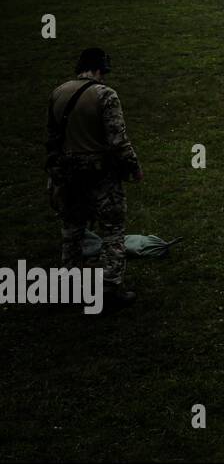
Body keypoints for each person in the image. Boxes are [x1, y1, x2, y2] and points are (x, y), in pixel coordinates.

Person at [45, 47, 142, 307]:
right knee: (112, 229)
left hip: (67, 173)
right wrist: (133, 166)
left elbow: (52, 139)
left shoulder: (58, 92)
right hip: (100, 173)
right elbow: (117, 139)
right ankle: (111, 285)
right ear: (100, 70)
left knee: (72, 229)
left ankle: (68, 284)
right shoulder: (105, 95)